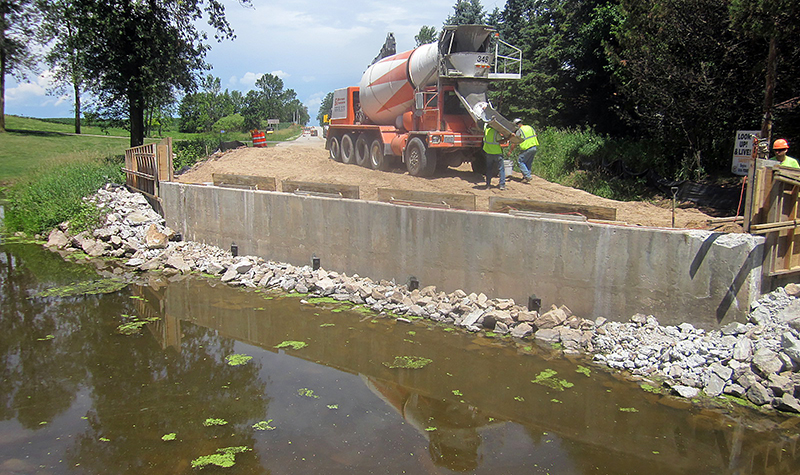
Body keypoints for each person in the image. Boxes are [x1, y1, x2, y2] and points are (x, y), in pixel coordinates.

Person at [510, 118, 539, 183]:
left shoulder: (520, 130)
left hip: (527, 148)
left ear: (517, 125)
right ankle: (526, 176)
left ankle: (527, 176)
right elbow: (535, 135)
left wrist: (510, 151)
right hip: (534, 147)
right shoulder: (529, 127)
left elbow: (514, 141)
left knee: (520, 161)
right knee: (528, 162)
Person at [483, 124, 506, 190]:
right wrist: (509, 138)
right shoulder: (495, 132)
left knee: (489, 169)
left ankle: (488, 185)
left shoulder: (486, 130)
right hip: (497, 153)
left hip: (488, 152)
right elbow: (501, 141)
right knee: (501, 169)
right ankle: (502, 185)